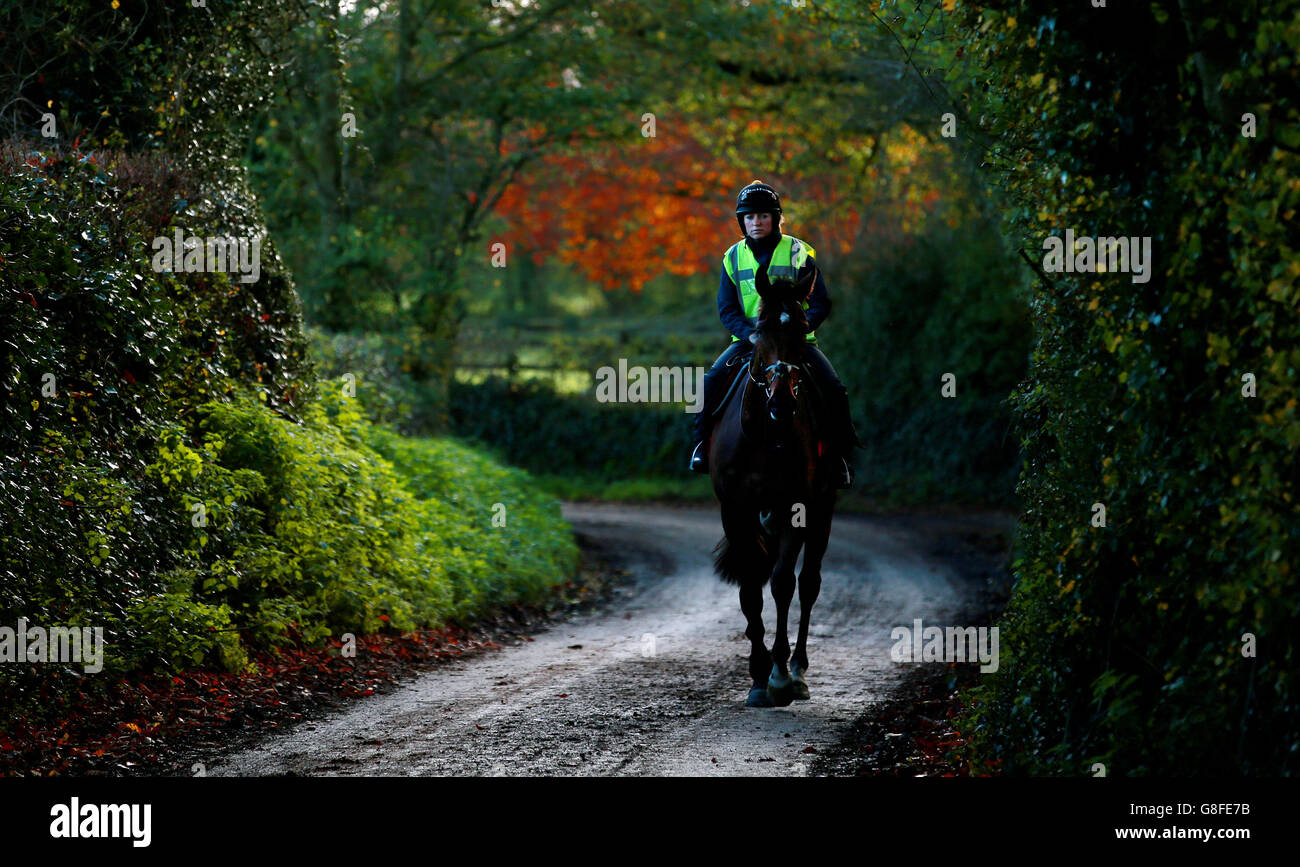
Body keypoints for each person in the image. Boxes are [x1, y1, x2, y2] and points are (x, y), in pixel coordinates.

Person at [689, 179, 859, 488]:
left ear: (775, 218)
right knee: (707, 383)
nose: (756, 222)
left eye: (764, 216)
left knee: (833, 388)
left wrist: (796, 329)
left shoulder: (798, 251)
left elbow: (820, 301)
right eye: (750, 217)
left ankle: (839, 459)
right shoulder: (732, 256)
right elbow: (727, 309)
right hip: (749, 341)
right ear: (742, 221)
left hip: (796, 342)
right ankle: (702, 447)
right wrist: (750, 334)